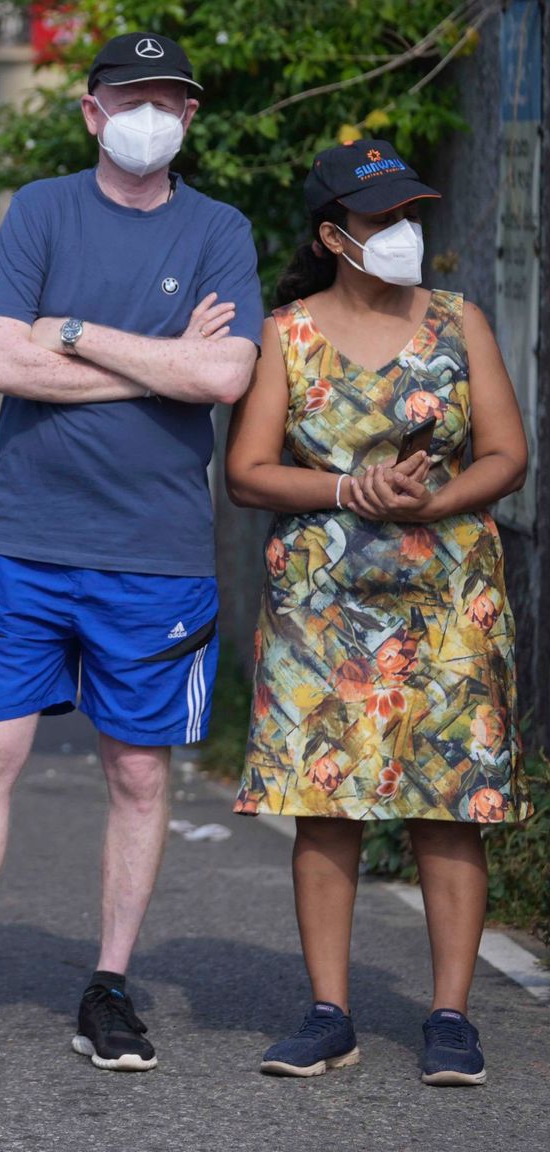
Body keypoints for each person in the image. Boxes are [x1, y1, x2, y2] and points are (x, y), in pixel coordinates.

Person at [0, 32, 262, 1075]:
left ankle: (110, 986)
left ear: (187, 118)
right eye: (130, 96)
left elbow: (223, 379)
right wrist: (160, 364)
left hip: (156, 555)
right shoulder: (39, 209)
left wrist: (75, 332)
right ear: (90, 112)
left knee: (136, 772)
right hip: (27, 544)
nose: (150, 114)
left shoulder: (219, 229)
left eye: (169, 99)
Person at [225, 140, 529, 1087]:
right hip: (323, 607)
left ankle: (450, 1017)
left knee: (451, 814)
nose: (401, 232)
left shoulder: (458, 320)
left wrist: (436, 502)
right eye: (379, 218)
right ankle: (329, 1013)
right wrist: (349, 487)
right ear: (333, 235)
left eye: (408, 213)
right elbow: (246, 472)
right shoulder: (287, 334)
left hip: (449, 597)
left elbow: (506, 452)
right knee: (325, 810)